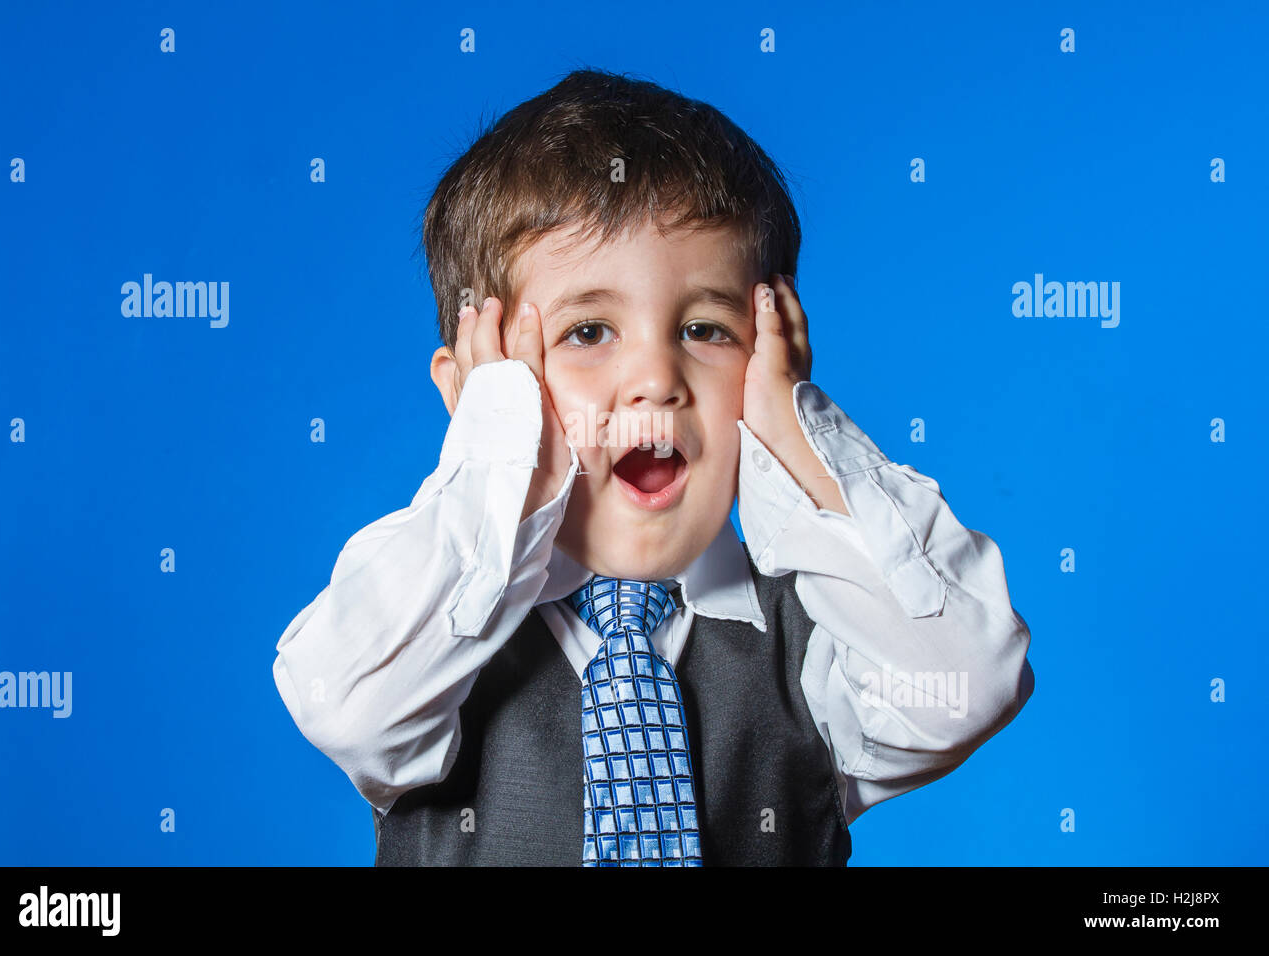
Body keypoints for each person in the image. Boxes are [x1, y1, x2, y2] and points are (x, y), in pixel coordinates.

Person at [273, 68, 1035, 866]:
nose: (657, 378)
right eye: (588, 332)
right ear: (479, 391)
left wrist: (797, 439)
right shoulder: (433, 644)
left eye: (707, 329)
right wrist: (497, 451)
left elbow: (968, 686)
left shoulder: (821, 648)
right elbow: (343, 708)